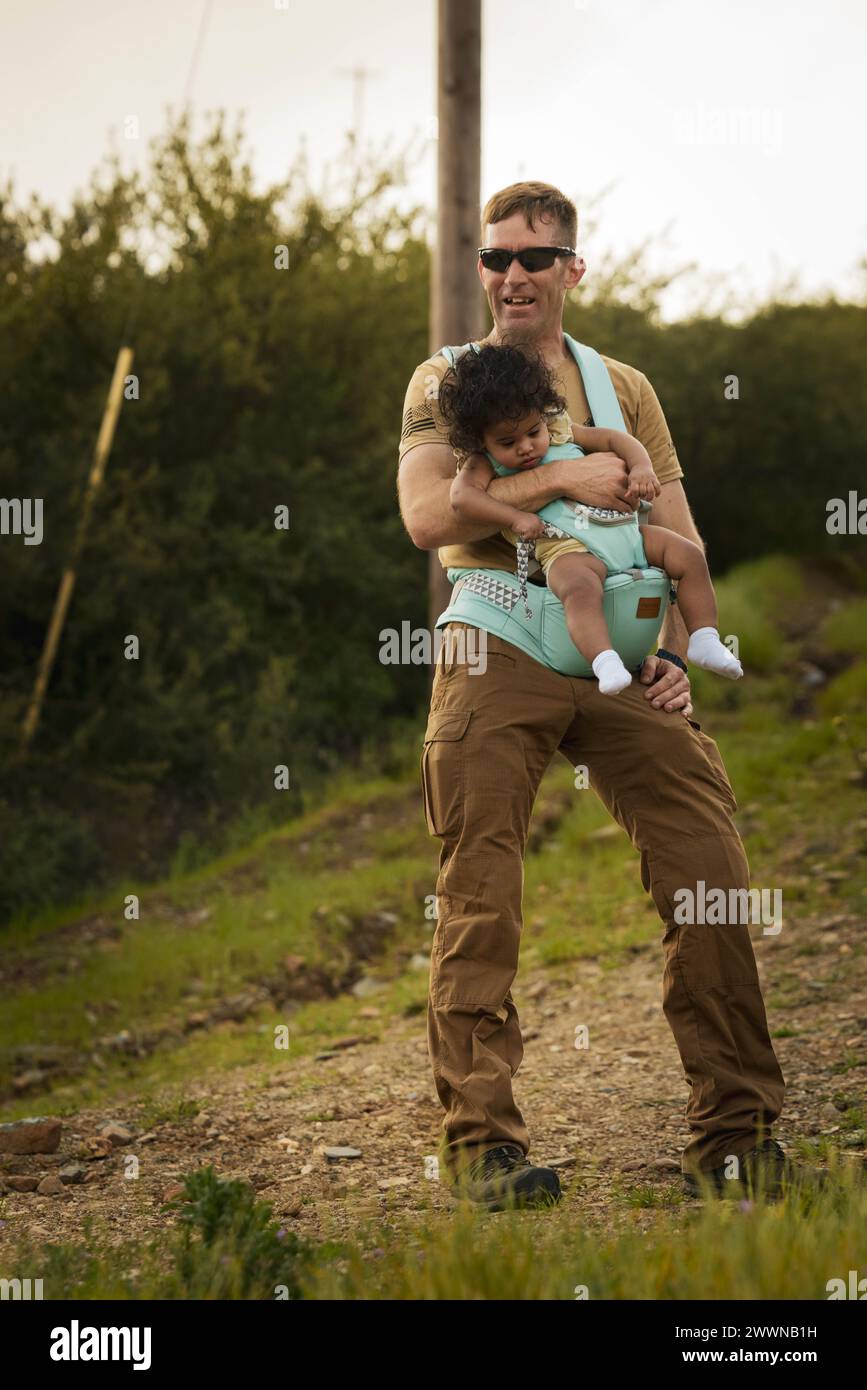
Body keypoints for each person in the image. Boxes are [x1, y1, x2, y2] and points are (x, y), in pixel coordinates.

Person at [397, 181, 802, 1212]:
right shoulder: (444, 380)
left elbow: (676, 529)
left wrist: (673, 646)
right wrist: (559, 484)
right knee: (481, 886)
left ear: (573, 269)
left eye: (535, 257)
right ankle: (484, 1146)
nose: (513, 274)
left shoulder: (626, 388)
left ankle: (738, 1136)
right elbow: (427, 518)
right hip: (496, 635)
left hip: (618, 651)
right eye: (495, 259)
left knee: (707, 861)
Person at [438, 341, 743, 694]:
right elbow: (462, 499)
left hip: (624, 534)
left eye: (532, 432)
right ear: (482, 441)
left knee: (687, 554)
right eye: (508, 442)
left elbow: (616, 440)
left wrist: (642, 466)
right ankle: (604, 660)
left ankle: (704, 638)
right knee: (579, 590)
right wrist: (512, 518)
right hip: (570, 549)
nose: (525, 446)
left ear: (541, 415)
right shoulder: (481, 463)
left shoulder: (558, 428)